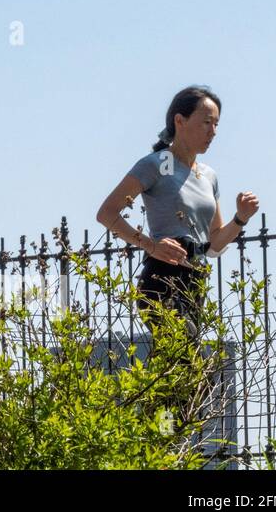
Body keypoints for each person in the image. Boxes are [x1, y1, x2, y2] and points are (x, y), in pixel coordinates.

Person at [96, 84, 260, 345]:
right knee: (186, 359)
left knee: (179, 367)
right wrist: (150, 245)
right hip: (162, 277)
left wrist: (241, 218)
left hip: (195, 280)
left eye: (217, 124)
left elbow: (214, 245)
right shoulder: (157, 163)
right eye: (206, 122)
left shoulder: (209, 175)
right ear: (180, 121)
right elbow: (106, 213)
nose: (213, 131)